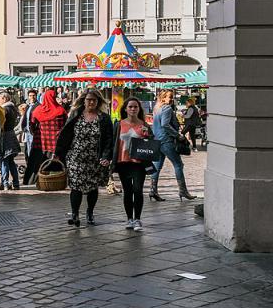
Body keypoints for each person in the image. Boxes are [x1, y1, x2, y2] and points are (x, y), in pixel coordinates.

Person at [55, 87, 113, 227]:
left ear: (98, 101)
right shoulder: (75, 114)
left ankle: (90, 212)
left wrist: (106, 156)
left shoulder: (104, 118)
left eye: (94, 100)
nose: (91, 102)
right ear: (83, 100)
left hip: (95, 158)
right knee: (76, 186)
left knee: (93, 187)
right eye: (88, 100)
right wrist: (58, 152)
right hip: (75, 157)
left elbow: (109, 139)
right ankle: (75, 214)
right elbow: (65, 134)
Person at [113, 96, 152, 231]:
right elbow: (113, 143)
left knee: (138, 190)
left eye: (135, 107)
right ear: (125, 109)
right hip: (123, 162)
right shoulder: (119, 124)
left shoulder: (144, 125)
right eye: (130, 106)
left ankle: (137, 219)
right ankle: (129, 219)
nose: (133, 109)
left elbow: (151, 143)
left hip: (139, 163)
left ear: (139, 109)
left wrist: (147, 136)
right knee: (128, 191)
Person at [151, 89, 196, 201]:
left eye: (172, 97)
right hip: (166, 140)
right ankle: (183, 191)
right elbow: (165, 125)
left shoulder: (157, 108)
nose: (171, 99)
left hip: (157, 140)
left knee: (157, 167)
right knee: (178, 164)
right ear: (163, 98)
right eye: (169, 97)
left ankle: (153, 190)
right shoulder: (167, 108)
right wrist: (177, 135)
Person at [24, 88, 66, 185]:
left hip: (40, 141)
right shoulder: (60, 110)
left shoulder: (38, 110)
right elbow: (65, 125)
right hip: (56, 142)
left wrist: (35, 132)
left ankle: (31, 180)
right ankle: (57, 180)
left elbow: (32, 124)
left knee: (35, 161)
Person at [0, 92, 21, 191]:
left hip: (5, 136)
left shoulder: (5, 110)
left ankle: (5, 183)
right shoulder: (13, 108)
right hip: (11, 134)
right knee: (11, 161)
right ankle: (16, 183)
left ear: (4, 99)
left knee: (4, 160)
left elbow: (1, 123)